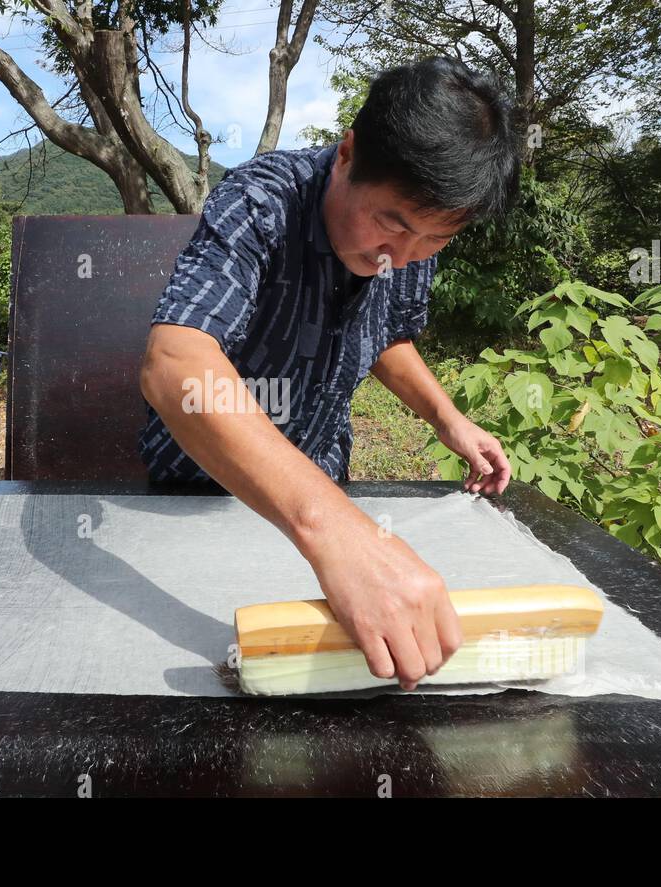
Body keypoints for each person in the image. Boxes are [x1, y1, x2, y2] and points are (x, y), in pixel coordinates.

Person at [138, 56, 521, 690]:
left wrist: (448, 418)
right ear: (347, 154)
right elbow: (175, 361)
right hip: (196, 492)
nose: (398, 255)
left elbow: (383, 333)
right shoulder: (261, 200)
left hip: (325, 482)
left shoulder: (407, 240)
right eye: (391, 223)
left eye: (433, 241)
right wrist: (335, 530)